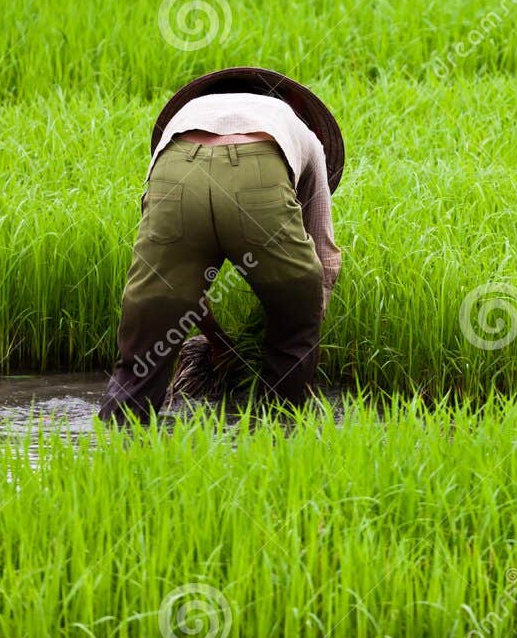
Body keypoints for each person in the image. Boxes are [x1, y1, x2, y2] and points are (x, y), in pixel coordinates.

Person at [99, 68, 344, 424]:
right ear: (289, 103)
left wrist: (215, 339)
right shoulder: (298, 129)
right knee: (296, 319)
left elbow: (175, 284)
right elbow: (324, 254)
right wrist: (304, 314)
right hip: (261, 171)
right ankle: (280, 435)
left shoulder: (184, 122)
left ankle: (116, 445)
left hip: (177, 169)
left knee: (148, 340)